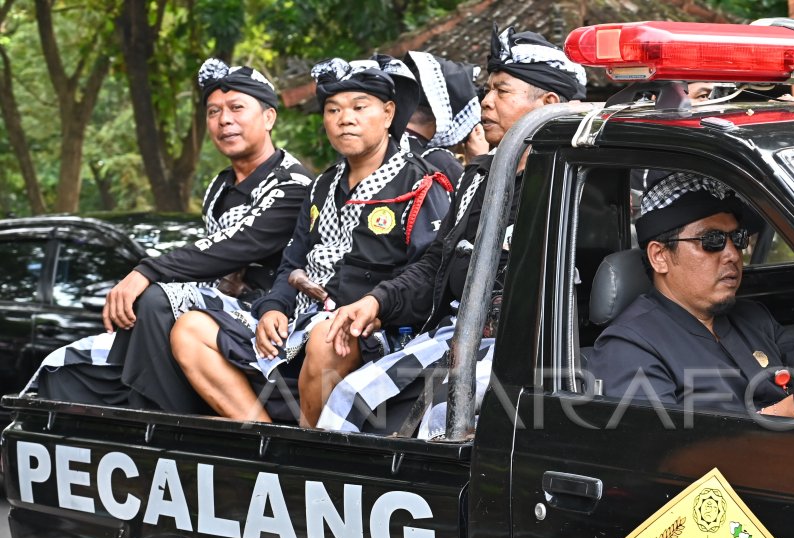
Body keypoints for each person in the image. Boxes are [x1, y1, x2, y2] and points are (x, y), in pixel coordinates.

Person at [315, 25, 587, 436]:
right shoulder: (480, 175)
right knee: (347, 399)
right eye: (487, 89)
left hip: (528, 354)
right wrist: (376, 302)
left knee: (441, 424)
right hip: (454, 335)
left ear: (547, 104)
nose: (485, 101)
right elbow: (437, 263)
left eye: (501, 91)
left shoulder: (577, 183)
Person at [170, 55, 452, 426]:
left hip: (372, 331)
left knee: (327, 337)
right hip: (302, 320)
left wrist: (375, 305)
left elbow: (429, 276)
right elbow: (293, 263)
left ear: (387, 113)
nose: (344, 118)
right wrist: (273, 307)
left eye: (358, 107)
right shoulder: (321, 186)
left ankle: (309, 447)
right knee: (189, 329)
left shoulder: (420, 184)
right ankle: (263, 434)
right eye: (333, 109)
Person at [30, 59, 314, 412]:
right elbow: (210, 263)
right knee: (67, 372)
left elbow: (230, 247)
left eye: (237, 108)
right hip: (225, 304)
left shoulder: (293, 184)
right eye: (213, 111)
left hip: (272, 315)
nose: (224, 120)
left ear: (269, 117)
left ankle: (170, 423)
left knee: (155, 299)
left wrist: (146, 270)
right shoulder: (220, 186)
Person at [589, 172, 794, 417]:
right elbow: (663, 449)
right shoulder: (628, 348)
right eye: (712, 240)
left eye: (737, 238)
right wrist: (790, 411)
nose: (732, 254)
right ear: (660, 257)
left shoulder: (754, 317)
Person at [401, 51, 483, 184]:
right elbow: (476, 202)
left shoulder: (380, 143)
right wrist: (480, 160)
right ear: (444, 118)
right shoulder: (441, 163)